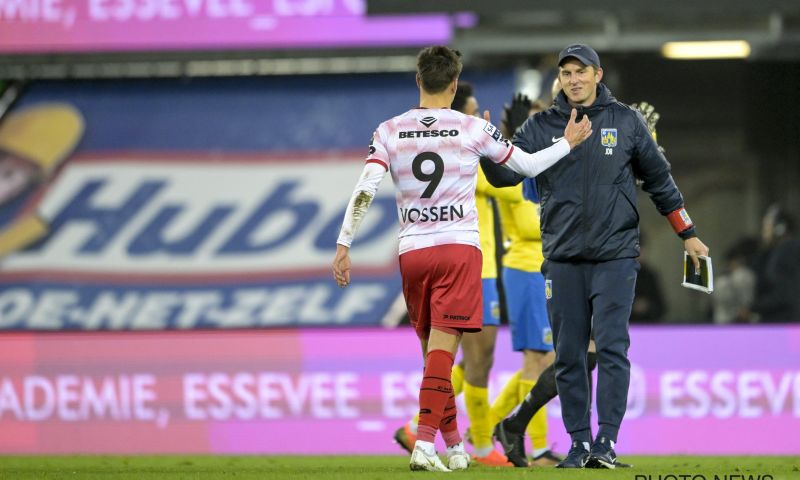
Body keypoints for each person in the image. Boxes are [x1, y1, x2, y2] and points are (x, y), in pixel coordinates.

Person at [332, 45, 592, 472]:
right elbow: (525, 166)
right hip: (457, 250)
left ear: (419, 81)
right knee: (442, 357)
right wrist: (566, 143)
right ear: (454, 85)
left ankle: (454, 446)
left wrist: (345, 244)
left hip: (413, 252)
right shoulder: (471, 128)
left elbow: (365, 188)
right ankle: (425, 444)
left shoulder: (389, 130)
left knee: (435, 358)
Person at [481, 44, 709, 468]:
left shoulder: (626, 121)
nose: (573, 79)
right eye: (566, 72)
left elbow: (660, 181)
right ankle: (579, 445)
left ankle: (606, 443)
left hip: (616, 257)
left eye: (581, 71)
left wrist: (688, 234)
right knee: (569, 356)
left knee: (611, 348)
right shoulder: (539, 126)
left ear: (598, 75)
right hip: (563, 259)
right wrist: (487, 147)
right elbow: (503, 176)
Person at [393, 81, 513, 467]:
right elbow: (512, 186)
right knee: (467, 361)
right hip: (467, 266)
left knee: (470, 360)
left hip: (485, 266)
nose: (476, 116)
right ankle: (470, 442)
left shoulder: (467, 144)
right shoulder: (461, 150)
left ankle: (452, 441)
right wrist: (497, 145)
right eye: (472, 110)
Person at [751, 204, 800, 323]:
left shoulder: (786, 251)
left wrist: (753, 307)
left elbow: (785, 292)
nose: (764, 232)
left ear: (780, 228)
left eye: (767, 226)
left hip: (786, 323)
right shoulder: (786, 250)